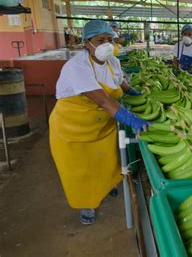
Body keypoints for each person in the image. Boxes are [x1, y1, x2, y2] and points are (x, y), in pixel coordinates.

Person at [49, 20, 149, 225]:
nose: (106, 44)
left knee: (104, 160)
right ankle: (86, 205)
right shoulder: (77, 67)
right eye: (100, 40)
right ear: (86, 43)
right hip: (72, 127)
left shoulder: (113, 61)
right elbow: (103, 100)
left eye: (110, 40)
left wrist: (132, 91)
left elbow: (120, 81)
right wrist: (130, 119)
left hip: (101, 124)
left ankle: (105, 186)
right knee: (80, 169)